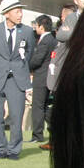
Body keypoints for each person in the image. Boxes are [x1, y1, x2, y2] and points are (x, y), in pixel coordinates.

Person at [0, 0, 37, 159]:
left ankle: (14, 150)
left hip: (17, 79)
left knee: (16, 115)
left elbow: (29, 53)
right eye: (17, 11)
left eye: (21, 11)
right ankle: (1, 149)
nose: (20, 14)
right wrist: (0, 68)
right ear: (6, 14)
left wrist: (18, 67)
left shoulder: (27, 31)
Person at [28, 14, 57, 143]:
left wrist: (27, 66)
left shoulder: (45, 40)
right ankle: (55, 127)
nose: (35, 28)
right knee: (45, 106)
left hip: (41, 76)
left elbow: (38, 59)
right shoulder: (54, 40)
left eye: (36, 25)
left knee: (38, 106)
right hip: (50, 76)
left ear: (41, 26)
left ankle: (37, 135)